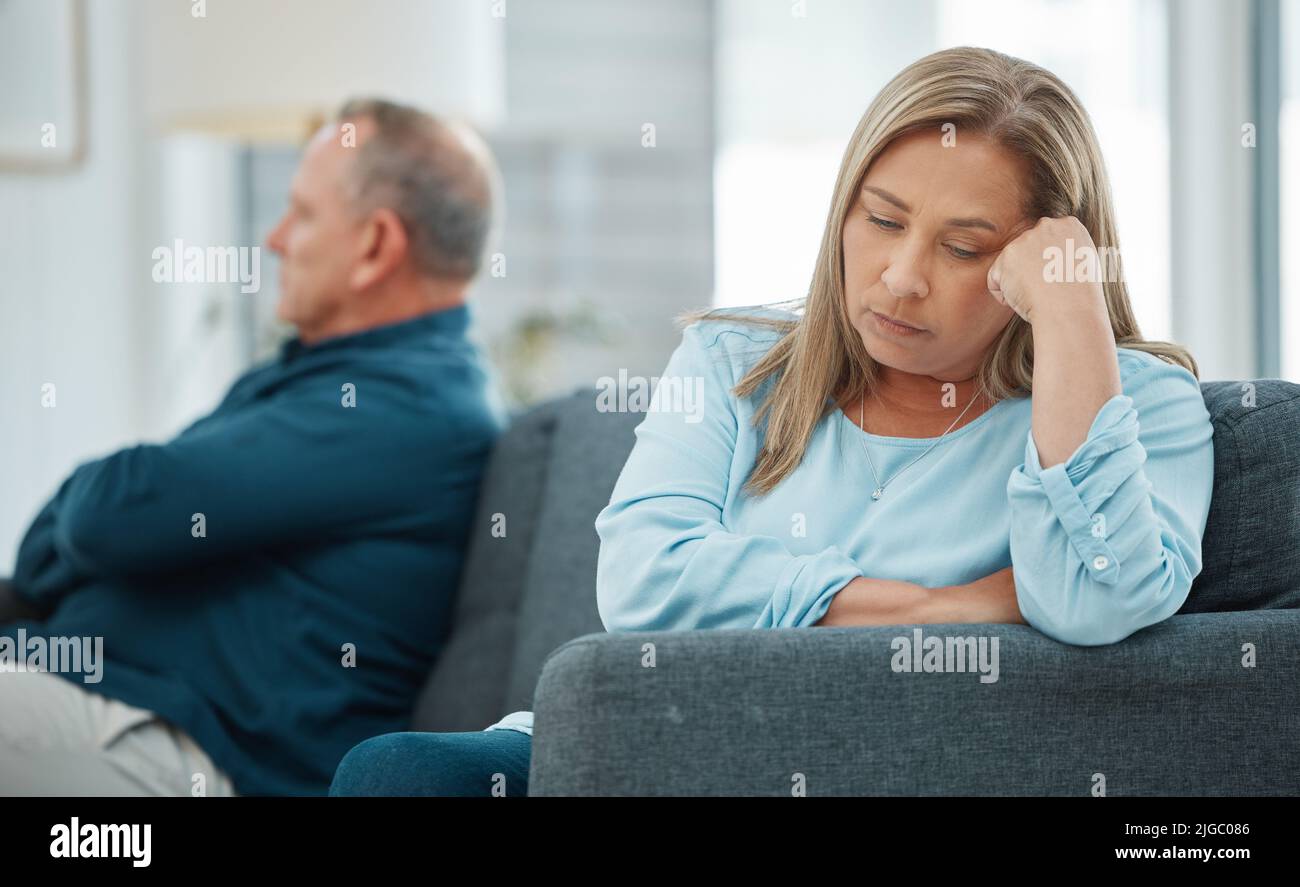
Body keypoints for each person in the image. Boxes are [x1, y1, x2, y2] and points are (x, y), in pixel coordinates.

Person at [328, 46, 1214, 797]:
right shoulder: (731, 359)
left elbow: (1095, 601)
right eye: (882, 219)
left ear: (1040, 256)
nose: (902, 276)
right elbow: (641, 582)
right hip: (646, 744)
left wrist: (1071, 320)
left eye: (964, 247)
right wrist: (948, 606)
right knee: (394, 773)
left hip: (875, 769)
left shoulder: (1142, 404)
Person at [0, 98, 506, 796]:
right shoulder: (328, 375)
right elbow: (69, 540)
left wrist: (79, 534)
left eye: (301, 213)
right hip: (100, 699)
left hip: (187, 753)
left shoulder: (400, 407)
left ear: (375, 246)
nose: (273, 238)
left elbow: (109, 509)